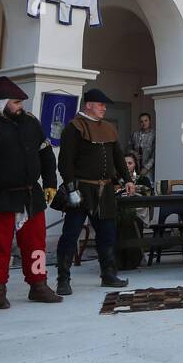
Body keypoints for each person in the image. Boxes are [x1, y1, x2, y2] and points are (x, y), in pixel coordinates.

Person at [0, 77, 62, 309]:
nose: (21, 106)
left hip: (31, 195)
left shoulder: (31, 122)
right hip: (0, 196)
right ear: (2, 102)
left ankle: (38, 285)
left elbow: (46, 153)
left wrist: (50, 182)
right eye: (16, 102)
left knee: (36, 244)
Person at [53, 88, 130, 295]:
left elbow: (119, 157)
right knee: (70, 235)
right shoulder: (74, 128)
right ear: (89, 105)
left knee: (107, 234)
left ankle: (108, 275)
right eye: (100, 104)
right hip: (81, 188)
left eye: (104, 105)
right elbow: (65, 162)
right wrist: (70, 188)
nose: (104, 108)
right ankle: (63, 279)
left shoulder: (108, 128)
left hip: (105, 190)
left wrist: (128, 179)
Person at [129, 112, 156, 183]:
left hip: (149, 168)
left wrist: (146, 168)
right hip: (136, 166)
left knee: (148, 186)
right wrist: (134, 153)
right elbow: (128, 148)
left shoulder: (154, 134)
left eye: (146, 120)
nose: (144, 123)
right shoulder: (135, 134)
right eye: (141, 121)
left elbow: (155, 154)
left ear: (149, 121)